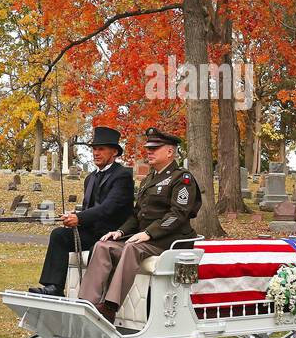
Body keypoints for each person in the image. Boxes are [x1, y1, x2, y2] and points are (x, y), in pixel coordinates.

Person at [77, 128, 201, 322]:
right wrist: (120, 231)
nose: (149, 151)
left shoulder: (182, 178)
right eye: (148, 148)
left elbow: (178, 214)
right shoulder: (149, 179)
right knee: (103, 246)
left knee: (131, 248)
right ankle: (87, 304)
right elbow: (137, 215)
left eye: (155, 148)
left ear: (170, 151)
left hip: (169, 240)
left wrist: (150, 233)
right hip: (146, 239)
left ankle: (110, 307)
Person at [28, 127, 133, 297]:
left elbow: (109, 208)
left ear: (114, 152)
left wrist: (80, 218)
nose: (96, 153)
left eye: (101, 149)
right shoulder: (90, 178)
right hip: (91, 232)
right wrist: (73, 216)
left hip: (113, 235)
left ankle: (93, 297)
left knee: (96, 251)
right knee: (59, 235)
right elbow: (88, 208)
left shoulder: (122, 176)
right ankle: (54, 287)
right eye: (94, 149)